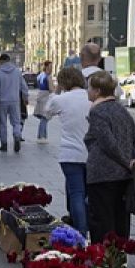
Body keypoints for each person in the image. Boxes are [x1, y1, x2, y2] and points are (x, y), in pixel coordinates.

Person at [83, 72, 135, 241]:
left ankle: (103, 263)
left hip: (102, 175)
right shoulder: (122, 110)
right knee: (120, 222)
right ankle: (119, 261)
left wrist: (127, 162)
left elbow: (108, 144)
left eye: (89, 87)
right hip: (123, 177)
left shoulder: (97, 112)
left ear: (97, 91)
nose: (87, 91)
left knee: (102, 223)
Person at [42, 67, 91, 228]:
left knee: (76, 193)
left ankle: (81, 233)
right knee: (89, 195)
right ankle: (89, 228)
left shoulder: (61, 99)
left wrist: (56, 91)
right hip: (92, 154)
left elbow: (46, 112)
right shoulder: (91, 96)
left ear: (62, 82)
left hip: (70, 154)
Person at [0, 53, 27, 152]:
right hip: (15, 101)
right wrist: (25, 97)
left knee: (2, 123)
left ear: (2, 61)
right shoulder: (17, 72)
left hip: (3, 101)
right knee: (16, 122)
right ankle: (17, 136)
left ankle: (4, 144)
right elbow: (24, 86)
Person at [34, 60, 54, 142]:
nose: (51, 68)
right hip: (46, 97)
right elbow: (51, 89)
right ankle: (41, 136)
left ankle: (43, 136)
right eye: (50, 66)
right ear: (46, 67)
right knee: (45, 118)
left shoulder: (40, 75)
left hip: (40, 96)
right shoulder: (48, 76)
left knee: (43, 117)